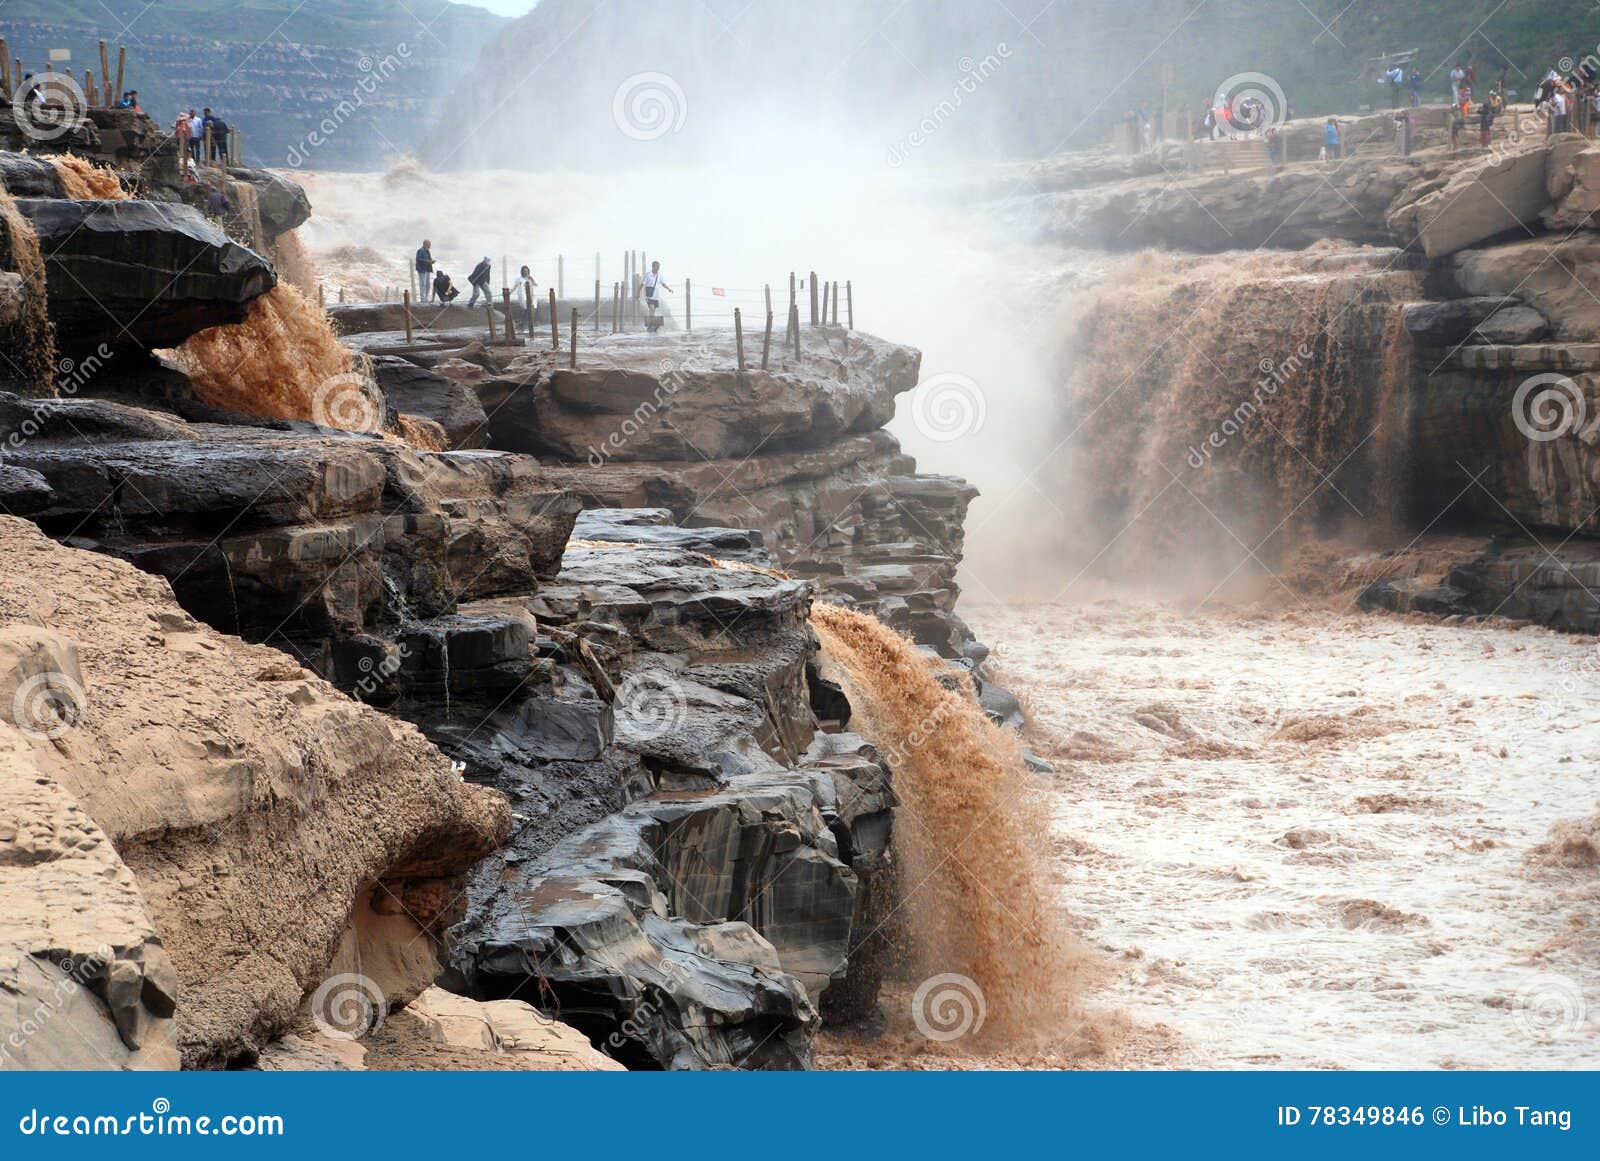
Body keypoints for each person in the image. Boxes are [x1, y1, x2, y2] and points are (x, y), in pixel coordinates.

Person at [414, 240, 435, 304]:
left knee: (427, 284)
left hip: (427, 269)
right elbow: (418, 259)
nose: (430, 246)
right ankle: (423, 299)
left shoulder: (427, 251)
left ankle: (425, 298)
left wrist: (431, 261)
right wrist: (428, 261)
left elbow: (429, 258)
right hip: (422, 269)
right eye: (429, 244)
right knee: (423, 284)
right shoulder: (420, 250)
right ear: (426, 244)